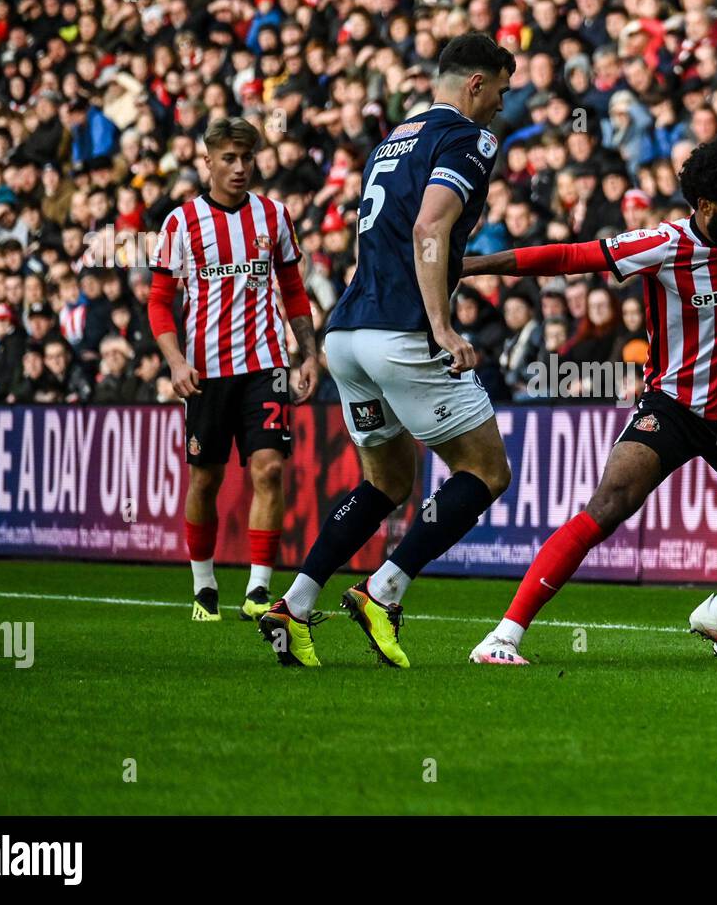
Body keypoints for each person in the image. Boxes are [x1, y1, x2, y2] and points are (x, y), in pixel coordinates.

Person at [463, 139, 717, 665]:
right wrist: (470, 265)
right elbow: (569, 257)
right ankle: (503, 637)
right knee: (607, 507)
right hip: (673, 410)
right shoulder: (663, 244)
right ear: (705, 206)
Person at [258, 33, 516, 669]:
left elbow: (381, 237)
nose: (501, 106)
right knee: (487, 472)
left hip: (349, 333)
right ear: (476, 83)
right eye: (500, 91)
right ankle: (383, 591)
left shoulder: (392, 141)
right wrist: (442, 326)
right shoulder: (468, 139)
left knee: (388, 480)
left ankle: (294, 604)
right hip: (403, 331)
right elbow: (429, 226)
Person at [148, 117, 319, 624]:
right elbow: (159, 301)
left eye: (247, 158)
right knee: (206, 480)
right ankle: (204, 584)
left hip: (267, 364)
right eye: (229, 158)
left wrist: (308, 353)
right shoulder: (181, 223)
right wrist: (176, 361)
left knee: (269, 468)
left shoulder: (275, 215)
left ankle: (258, 589)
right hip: (205, 372)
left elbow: (293, 290)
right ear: (208, 162)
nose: (240, 167)